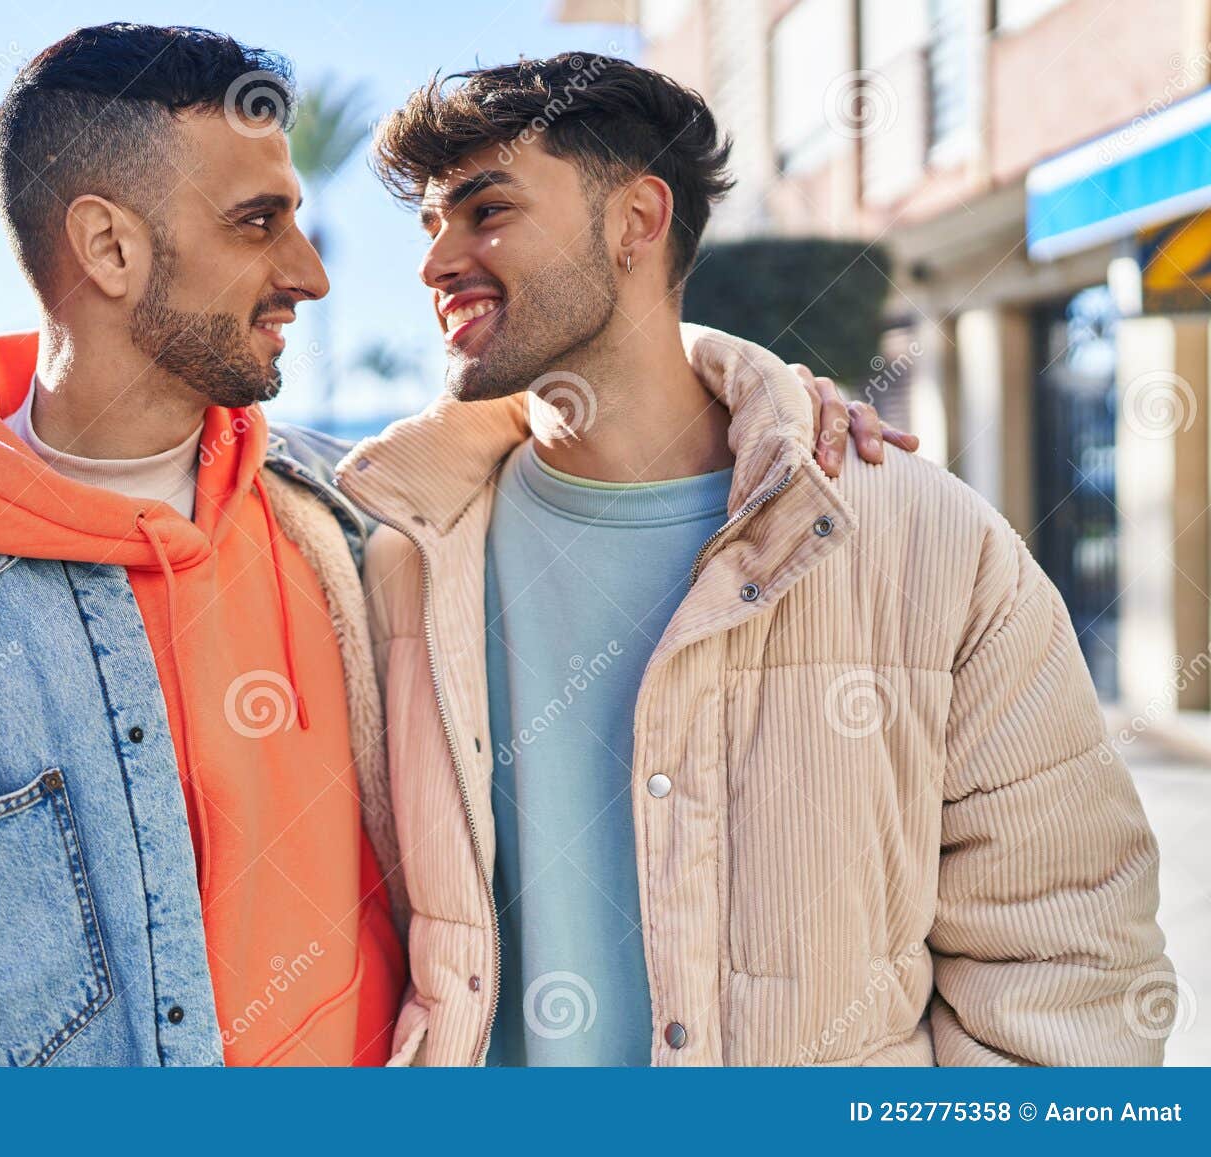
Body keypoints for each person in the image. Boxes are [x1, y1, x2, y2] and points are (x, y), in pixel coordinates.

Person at [0, 25, 898, 1068]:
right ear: (109, 249)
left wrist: (776, 413)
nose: (313, 273)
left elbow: (613, 420)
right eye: (258, 223)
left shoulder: (366, 516)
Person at [341, 54, 1174, 1067]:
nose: (436, 263)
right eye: (430, 226)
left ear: (637, 219)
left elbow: (1064, 954)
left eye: (486, 211)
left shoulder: (922, 539)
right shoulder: (399, 555)